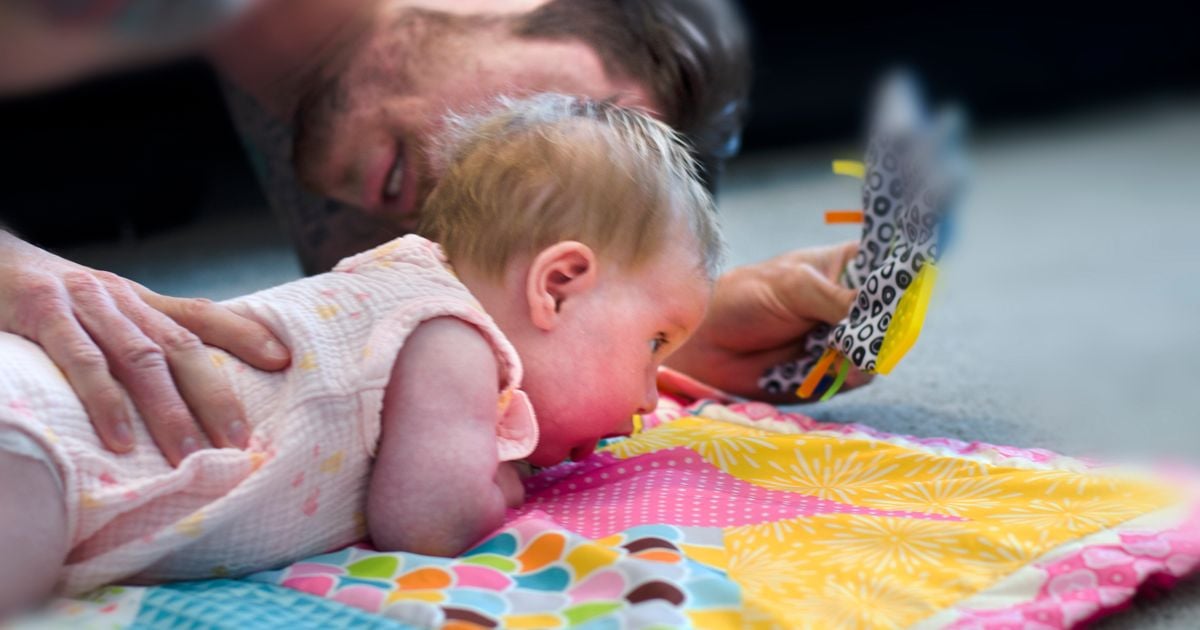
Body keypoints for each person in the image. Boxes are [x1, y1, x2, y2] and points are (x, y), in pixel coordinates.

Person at [0, 0, 865, 467]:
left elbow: (404, 329)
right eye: (546, 120)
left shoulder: (350, 116)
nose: (468, 188)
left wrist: (651, 332)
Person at [0, 95, 717, 616]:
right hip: (46, 439)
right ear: (557, 287)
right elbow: (426, 521)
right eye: (654, 344)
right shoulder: (451, 334)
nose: (652, 397)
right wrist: (498, 484)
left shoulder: (402, 294)